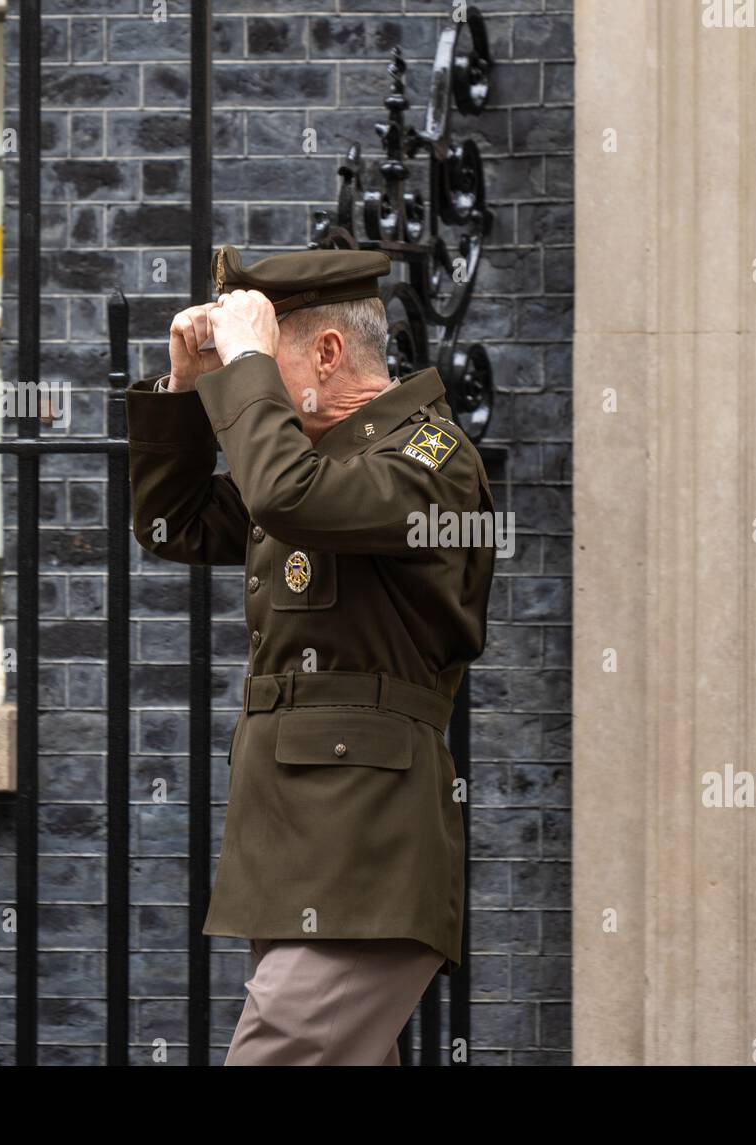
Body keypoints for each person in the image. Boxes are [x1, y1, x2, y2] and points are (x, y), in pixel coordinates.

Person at [124, 248, 497, 1064]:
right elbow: (171, 527)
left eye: (263, 349)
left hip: (369, 845)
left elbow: (289, 500)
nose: (239, 372)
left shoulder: (433, 463)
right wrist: (187, 389)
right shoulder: (308, 465)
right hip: (289, 841)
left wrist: (248, 365)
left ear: (327, 355)